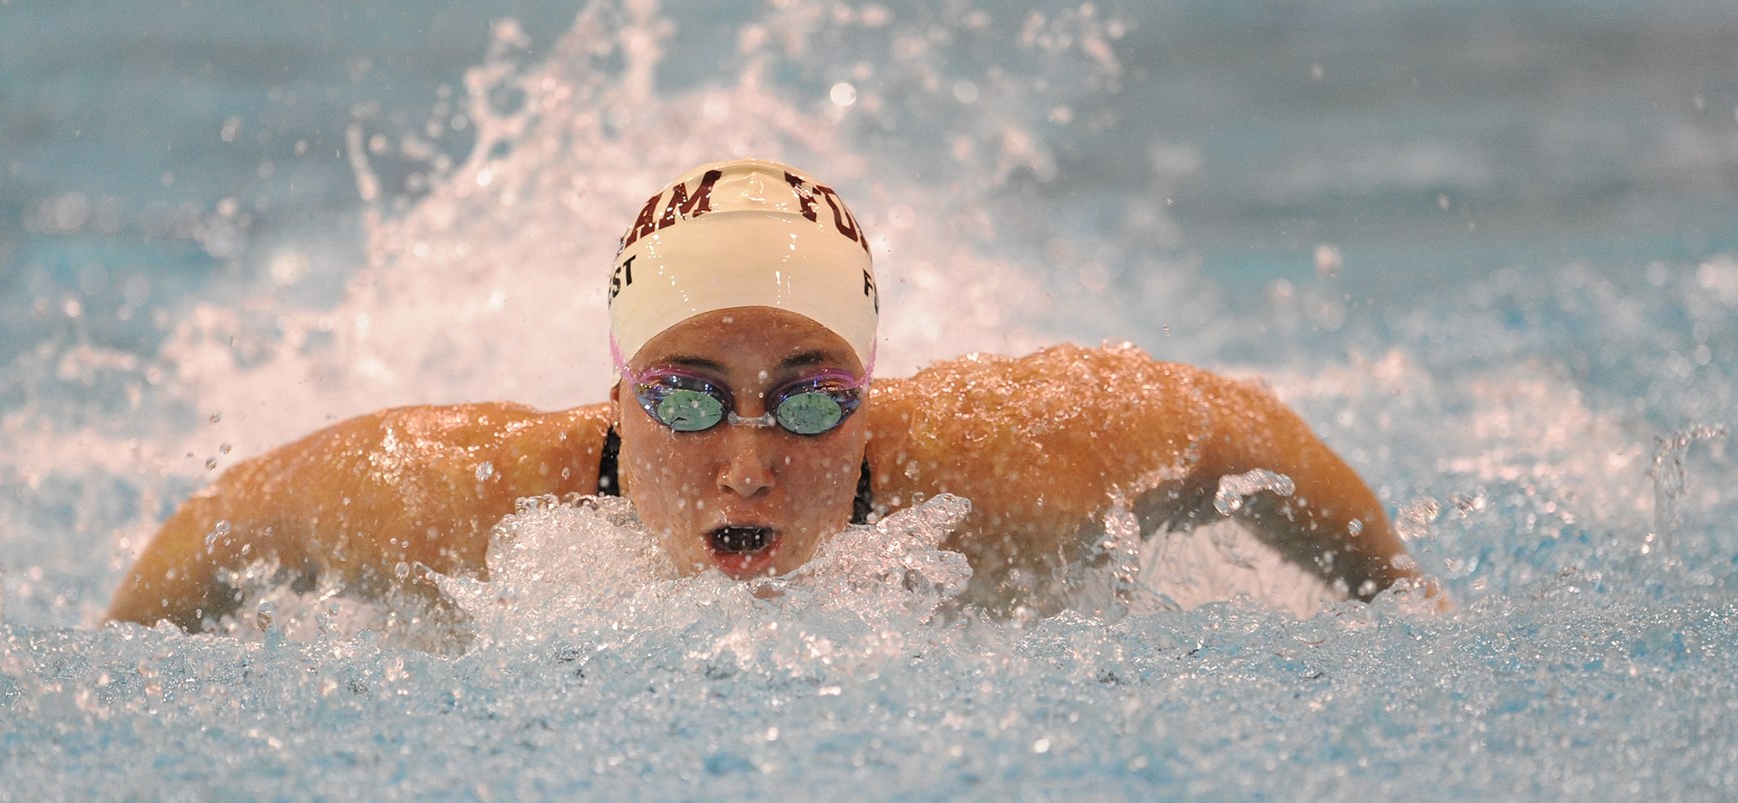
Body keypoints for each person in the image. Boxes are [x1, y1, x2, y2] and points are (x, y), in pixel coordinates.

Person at [107, 158, 1435, 630]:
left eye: (806, 401)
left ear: (870, 397)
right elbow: (225, 524)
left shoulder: (1015, 469)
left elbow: (1247, 436)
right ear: (616, 395)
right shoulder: (453, 507)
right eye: (688, 399)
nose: (747, 464)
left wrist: (1405, 600)